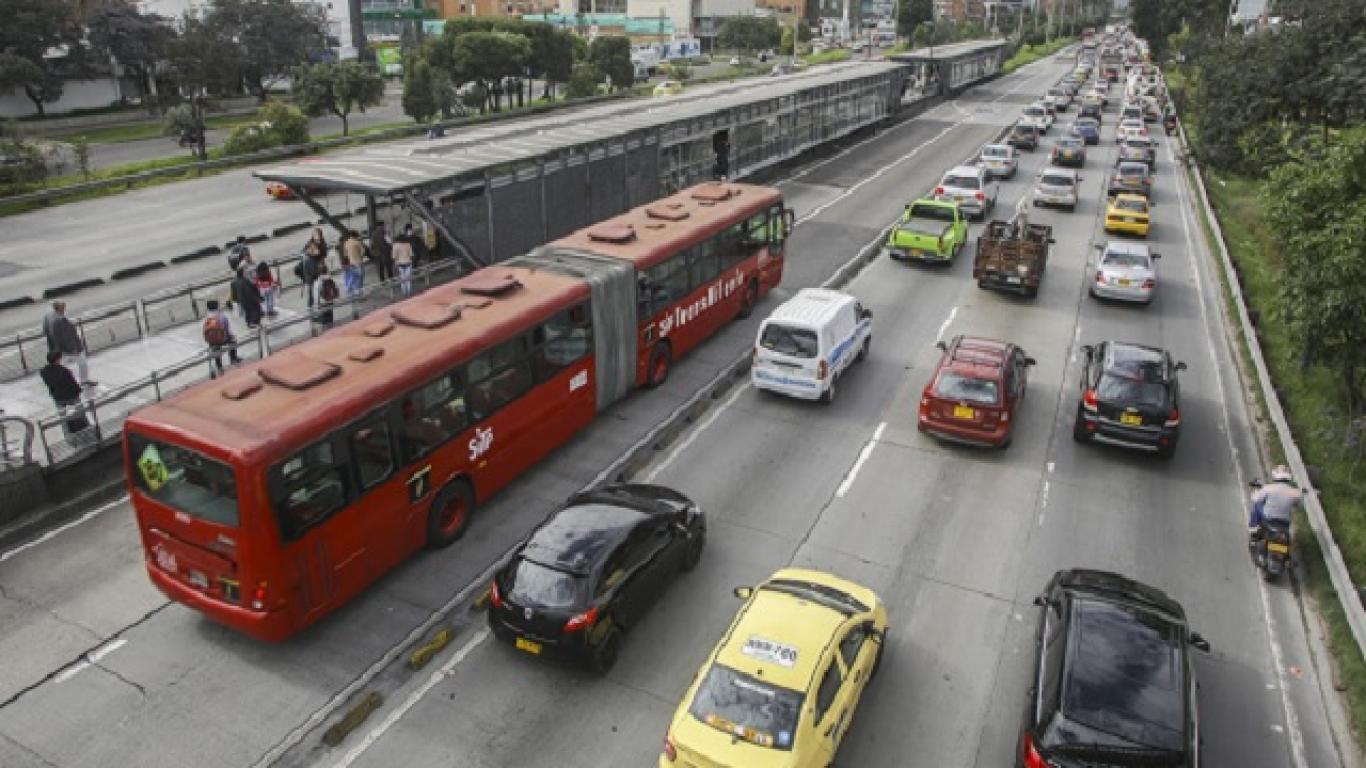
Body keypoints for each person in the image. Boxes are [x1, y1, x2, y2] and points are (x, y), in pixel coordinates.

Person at [42, 301, 94, 387]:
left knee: (61, 366)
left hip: (57, 348)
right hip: (67, 348)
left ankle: (61, 383)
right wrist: (73, 348)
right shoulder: (59, 320)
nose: (65, 309)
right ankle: (83, 380)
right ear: (60, 308)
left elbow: (45, 330)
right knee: (80, 362)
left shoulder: (48, 315)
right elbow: (67, 336)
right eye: (64, 307)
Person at [40, 350, 90, 438]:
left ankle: (67, 434)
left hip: (57, 397)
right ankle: (88, 428)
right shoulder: (64, 371)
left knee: (62, 417)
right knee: (81, 411)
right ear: (57, 359)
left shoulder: (43, 372)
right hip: (71, 396)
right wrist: (79, 391)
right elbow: (72, 383)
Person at [1249, 464, 1304, 544]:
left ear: (1275, 475)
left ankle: (1253, 531)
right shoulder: (1295, 492)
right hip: (1284, 522)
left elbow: (1256, 499)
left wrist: (1254, 492)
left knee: (1257, 506)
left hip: (1268, 517)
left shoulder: (1268, 488)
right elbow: (1299, 505)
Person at [201, 299, 241, 376]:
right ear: (217, 306)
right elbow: (227, 330)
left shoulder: (205, 318)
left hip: (212, 341)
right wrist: (232, 336)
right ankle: (233, 358)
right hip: (223, 339)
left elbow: (204, 330)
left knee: (215, 348)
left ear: (208, 308)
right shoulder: (222, 316)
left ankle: (219, 366)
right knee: (233, 340)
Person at [392, 228, 415, 297]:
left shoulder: (395, 245)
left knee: (402, 278)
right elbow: (411, 254)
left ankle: (404, 293)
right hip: (408, 262)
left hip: (400, 263)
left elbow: (394, 256)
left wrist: (395, 263)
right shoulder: (408, 244)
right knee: (408, 278)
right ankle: (409, 292)